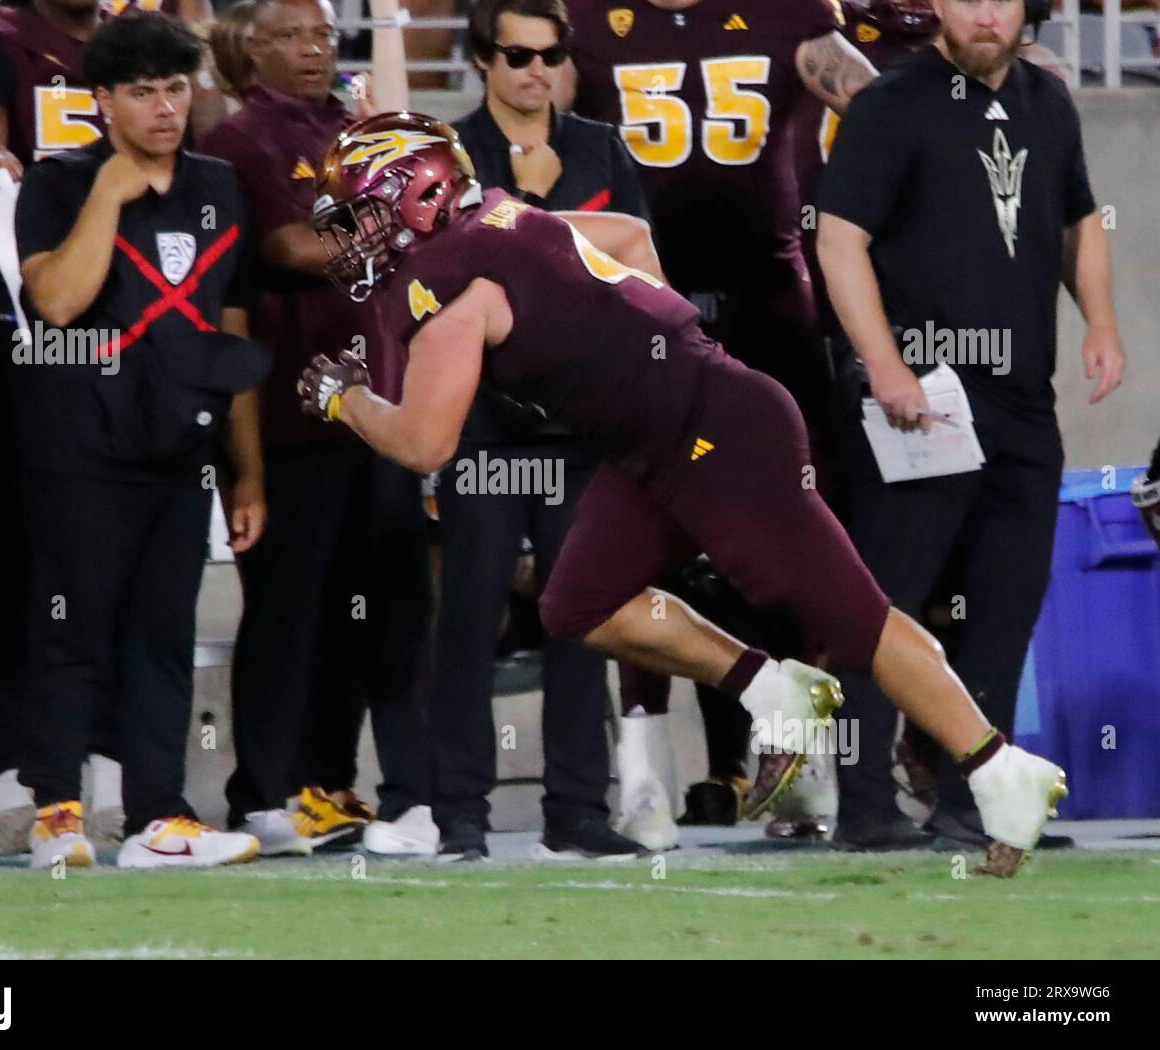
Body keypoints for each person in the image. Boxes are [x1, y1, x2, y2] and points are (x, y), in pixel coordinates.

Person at [300, 111, 1068, 878]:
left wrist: (346, 399)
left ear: (420, 194)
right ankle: (771, 687)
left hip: (715, 435)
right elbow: (630, 236)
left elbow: (424, 443)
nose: (355, 237)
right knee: (578, 604)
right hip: (667, 441)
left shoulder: (445, 281)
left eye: (364, 212)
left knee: (853, 618)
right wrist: (659, 349)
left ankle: (1001, 770)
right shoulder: (507, 215)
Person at [557, 0, 880, 847]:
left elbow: (883, 119)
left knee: (795, 539)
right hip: (640, 321)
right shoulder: (585, 18)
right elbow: (526, 124)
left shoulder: (786, 12)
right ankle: (640, 773)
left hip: (770, 316)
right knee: (633, 550)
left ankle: (808, 770)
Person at [817, 0, 1124, 852]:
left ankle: (973, 800)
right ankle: (865, 806)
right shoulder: (891, 102)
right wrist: (884, 366)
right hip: (923, 395)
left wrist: (1099, 322)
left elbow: (1078, 220)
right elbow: (839, 240)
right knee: (887, 607)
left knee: (1004, 606)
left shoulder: (1049, 101)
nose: (986, 12)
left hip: (1025, 399)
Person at [14, 12, 264, 869]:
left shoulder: (221, 185)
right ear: (103, 102)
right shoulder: (55, 184)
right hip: (79, 447)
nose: (164, 107)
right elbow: (56, 301)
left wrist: (248, 472)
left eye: (175, 88)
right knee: (72, 631)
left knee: (162, 637)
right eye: (142, 92)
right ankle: (58, 811)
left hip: (181, 444)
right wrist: (112, 194)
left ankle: (160, 816)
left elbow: (229, 325)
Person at [201, 0, 436, 858]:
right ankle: (262, 793)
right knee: (287, 615)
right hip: (292, 409)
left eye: (326, 35)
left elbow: (439, 226)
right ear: (251, 47)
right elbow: (294, 247)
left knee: (392, 613)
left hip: (386, 406)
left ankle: (396, 793)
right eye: (293, 36)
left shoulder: (361, 129)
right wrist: (390, 212)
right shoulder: (242, 140)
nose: (313, 49)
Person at [429, 0, 649, 861]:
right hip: (482, 422)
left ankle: (577, 811)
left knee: (581, 618)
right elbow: (434, 280)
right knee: (470, 619)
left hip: (581, 425)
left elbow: (638, 268)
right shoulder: (445, 157)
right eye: (517, 54)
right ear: (482, 58)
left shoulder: (602, 147)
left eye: (551, 54)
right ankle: (459, 812)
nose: (535, 70)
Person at [0, 0, 125, 853]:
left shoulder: (134, 46)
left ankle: (114, 762)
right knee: (10, 557)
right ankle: (10, 772)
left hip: (126, 336)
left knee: (116, 560)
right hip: (13, 336)